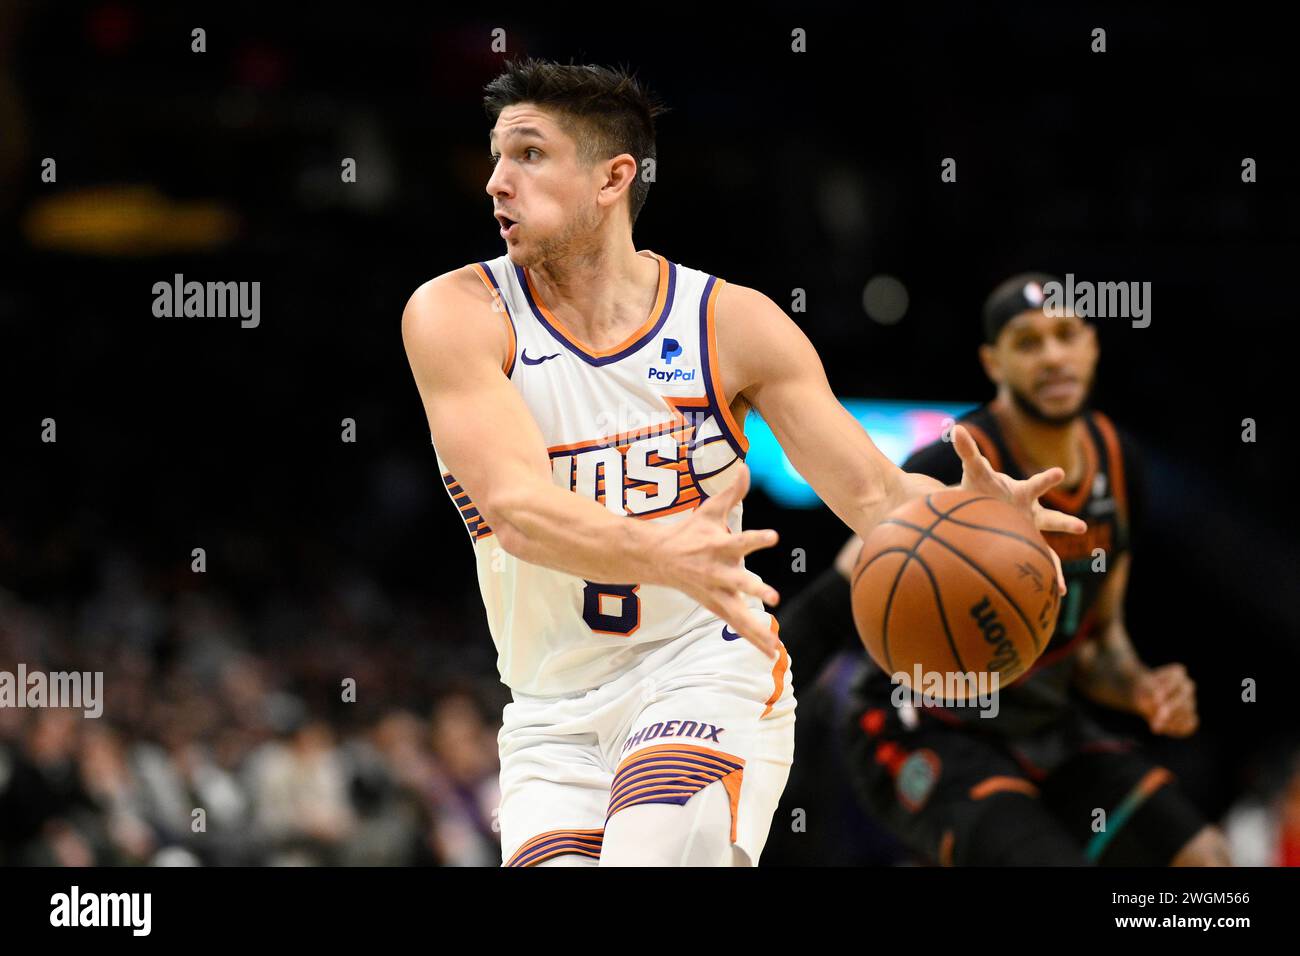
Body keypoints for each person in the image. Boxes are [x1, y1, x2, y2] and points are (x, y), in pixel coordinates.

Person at [400, 63, 1083, 867]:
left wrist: (970, 523)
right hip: (550, 713)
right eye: (495, 157)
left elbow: (872, 491)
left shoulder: (731, 324)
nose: (495, 183)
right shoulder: (457, 315)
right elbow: (514, 508)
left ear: (614, 177)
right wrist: (656, 549)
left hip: (700, 669)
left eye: (527, 155)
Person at [778, 273, 1231, 865]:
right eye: (1027, 341)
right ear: (993, 362)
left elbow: (1097, 646)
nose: (1052, 356)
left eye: (1066, 334)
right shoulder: (953, 461)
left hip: (1042, 720)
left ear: (1092, 345)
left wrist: (1142, 687)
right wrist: (741, 706)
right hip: (922, 723)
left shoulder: (1121, 465)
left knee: (1207, 861)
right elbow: (834, 601)